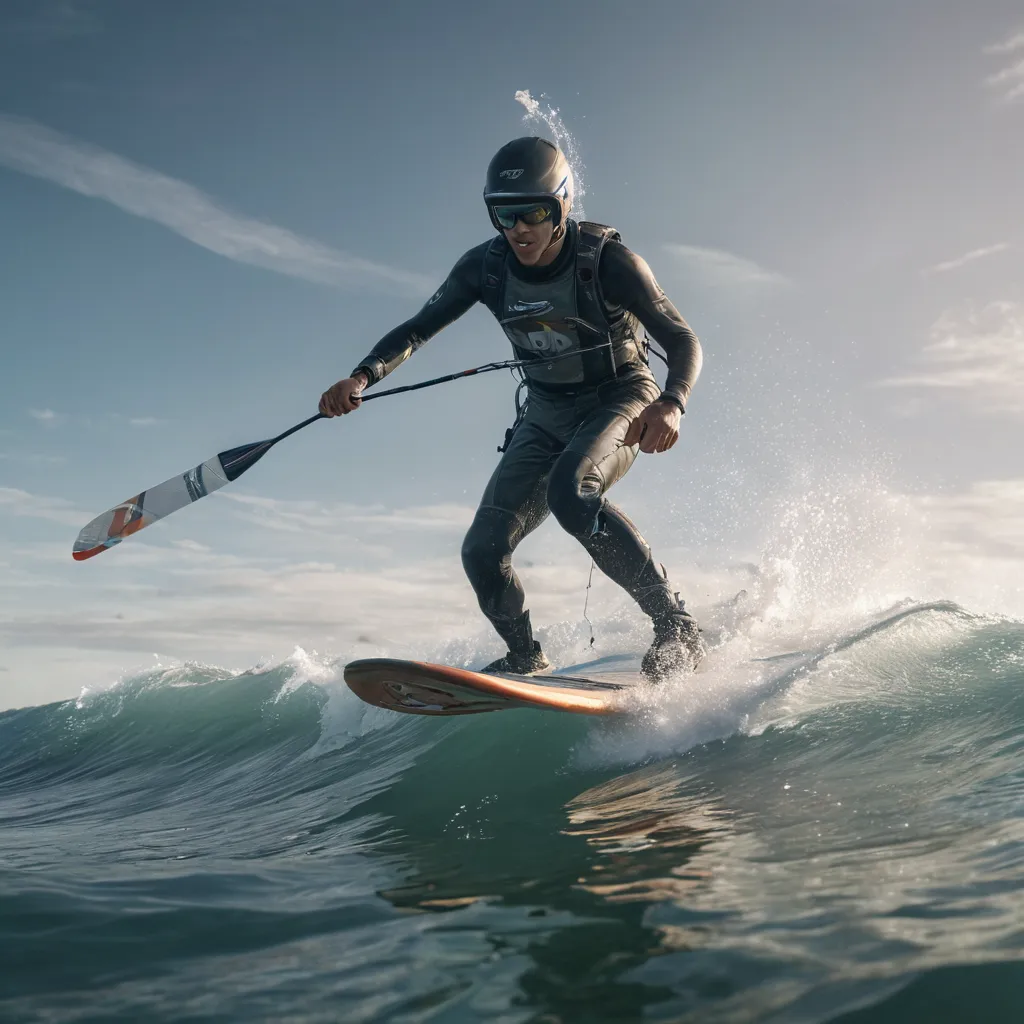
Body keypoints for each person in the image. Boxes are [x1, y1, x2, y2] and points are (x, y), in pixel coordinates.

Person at [320, 137, 705, 681]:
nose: (519, 229)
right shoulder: (486, 267)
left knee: (571, 494)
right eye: (505, 214)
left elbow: (684, 339)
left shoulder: (611, 263)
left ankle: (676, 626)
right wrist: (361, 375)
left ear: (562, 206)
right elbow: (417, 329)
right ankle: (526, 655)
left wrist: (673, 402)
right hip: (546, 411)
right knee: (482, 550)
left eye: (534, 213)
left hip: (621, 396)